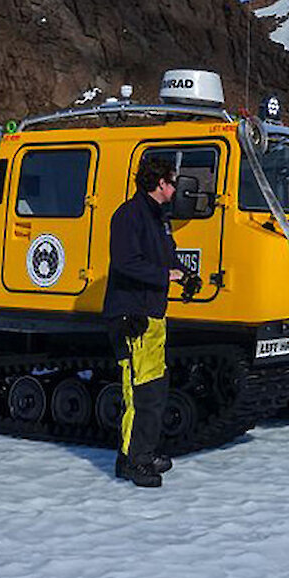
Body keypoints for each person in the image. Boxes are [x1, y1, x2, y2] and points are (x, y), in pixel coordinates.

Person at [103, 155, 186, 488]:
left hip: (154, 315)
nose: (176, 187)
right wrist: (166, 275)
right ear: (160, 184)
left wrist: (185, 274)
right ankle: (133, 462)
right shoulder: (128, 216)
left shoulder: (158, 218)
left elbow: (168, 257)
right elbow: (125, 263)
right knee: (139, 393)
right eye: (173, 181)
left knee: (155, 389)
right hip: (132, 315)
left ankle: (144, 451)